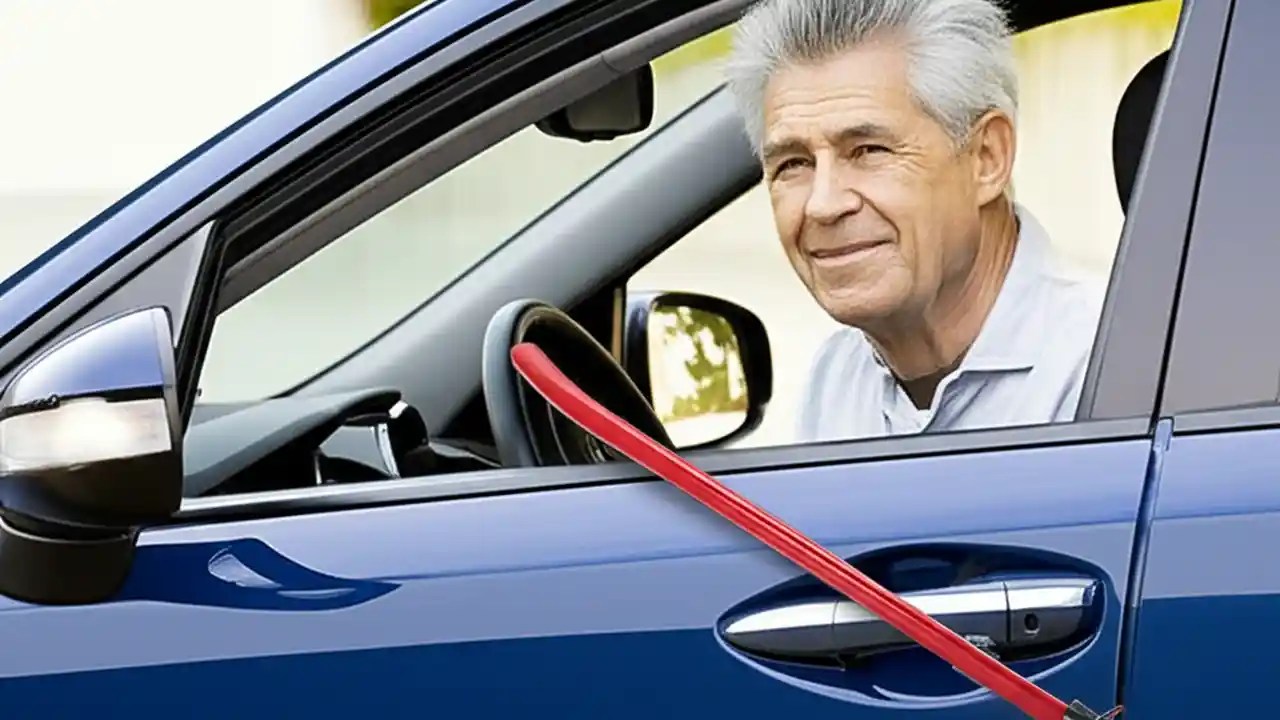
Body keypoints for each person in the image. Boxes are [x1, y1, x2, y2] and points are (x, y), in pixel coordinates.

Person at [725, 0, 1107, 442]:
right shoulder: (835, 378)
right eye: (793, 164)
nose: (823, 204)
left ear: (986, 158)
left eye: (868, 150)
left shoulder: (1107, 370)